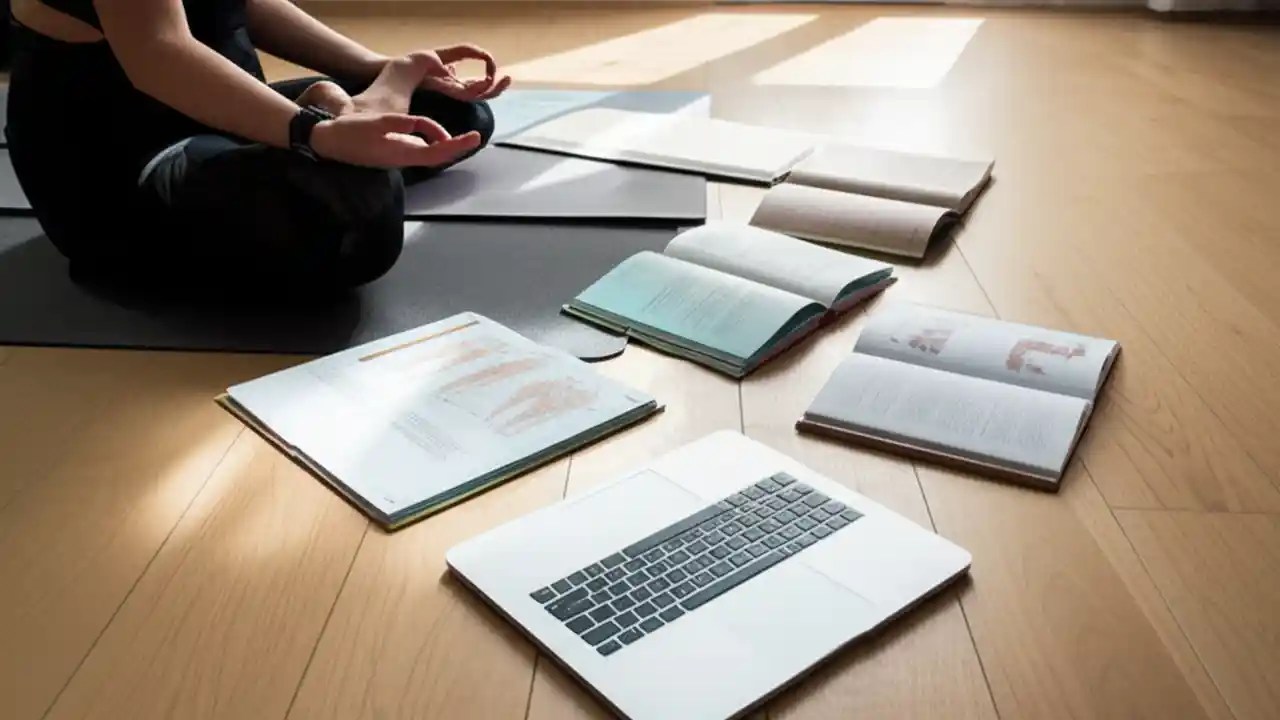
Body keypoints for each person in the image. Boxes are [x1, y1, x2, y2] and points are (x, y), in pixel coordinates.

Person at [5, 0, 511, 297]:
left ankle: (335, 111)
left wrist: (376, 66)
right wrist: (310, 130)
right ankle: (327, 117)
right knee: (360, 216)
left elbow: (243, 4)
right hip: (116, 152)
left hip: (224, 104)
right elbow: (157, 50)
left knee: (454, 116)